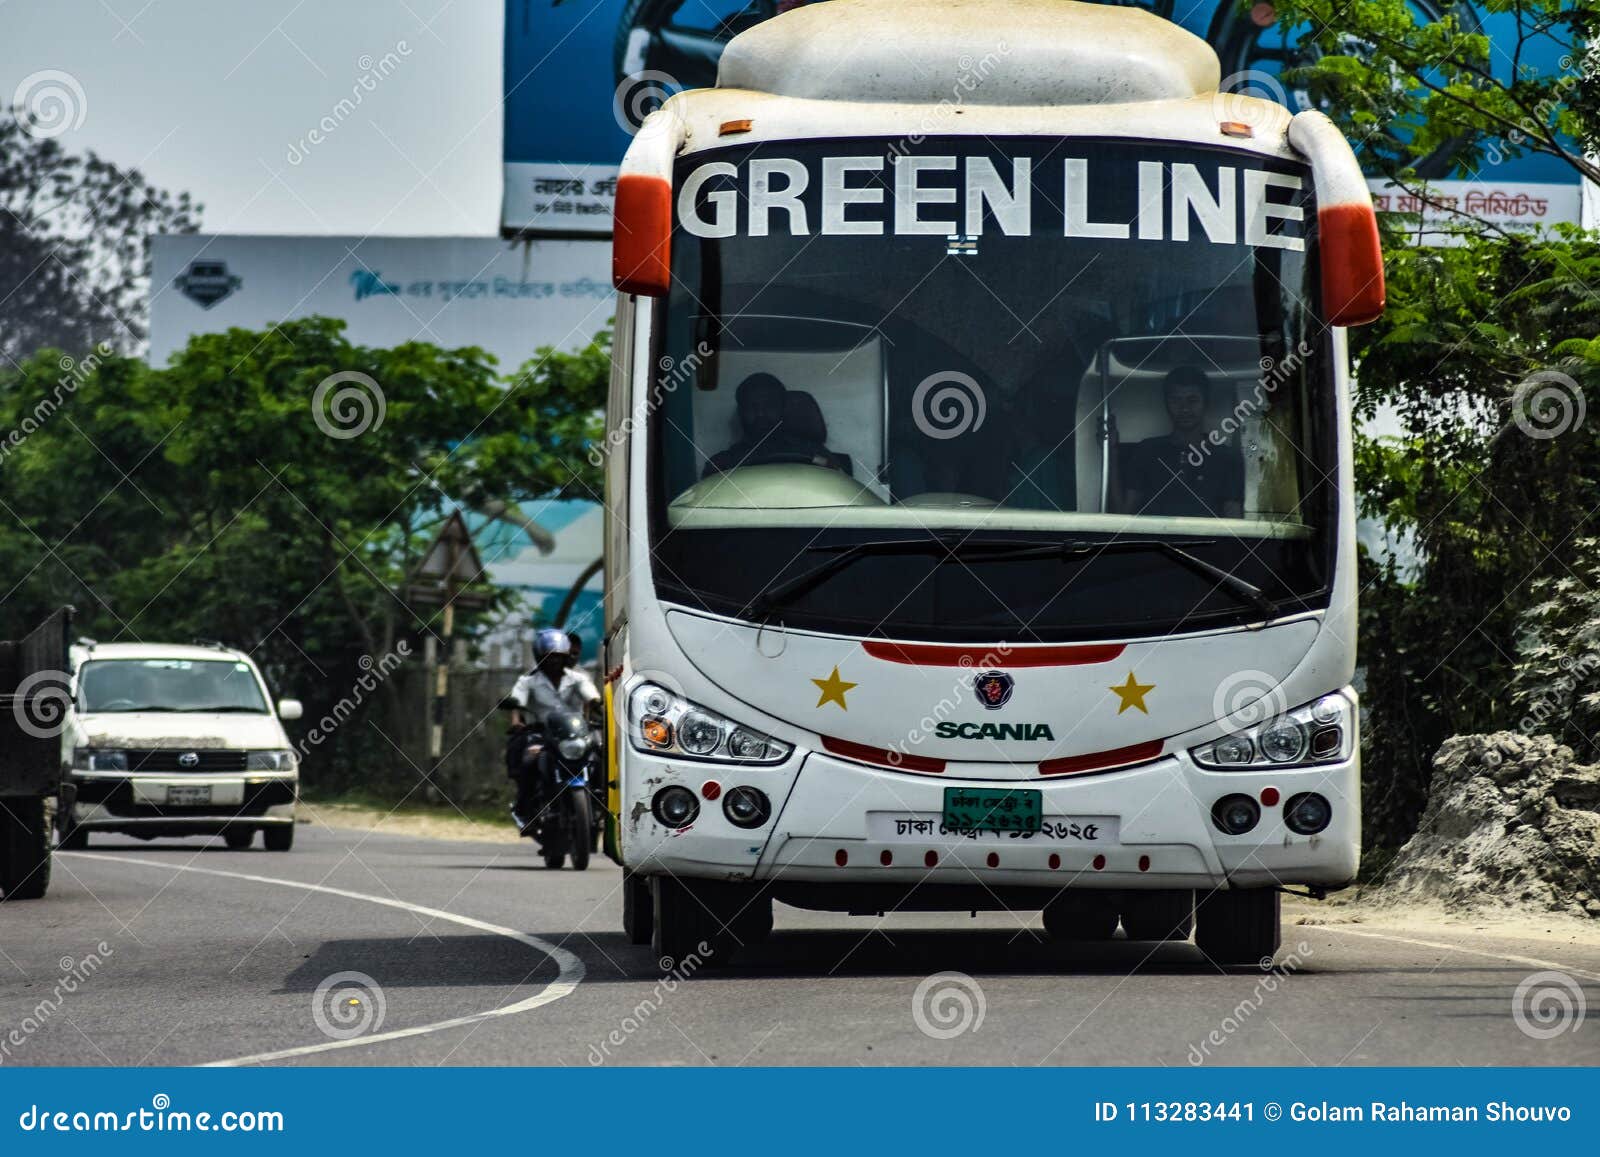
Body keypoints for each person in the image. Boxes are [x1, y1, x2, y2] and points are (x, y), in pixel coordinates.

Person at [1115, 365, 1244, 519]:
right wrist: (1111, 451)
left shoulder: (1226, 457)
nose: (1185, 409)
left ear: (1206, 403)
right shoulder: (1147, 450)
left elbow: (1233, 521)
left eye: (1193, 400)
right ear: (1166, 404)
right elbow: (1122, 516)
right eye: (1176, 400)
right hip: (1155, 540)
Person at [506, 628, 586, 830]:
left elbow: (592, 699)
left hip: (575, 734)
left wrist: (597, 708)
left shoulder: (579, 678)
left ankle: (606, 809)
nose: (554, 662)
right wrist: (516, 721)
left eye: (559, 657)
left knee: (600, 756)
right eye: (549, 657)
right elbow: (517, 702)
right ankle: (523, 809)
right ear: (540, 657)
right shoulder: (528, 680)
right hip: (541, 735)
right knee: (529, 759)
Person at [702, 372, 787, 476]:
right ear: (741, 413)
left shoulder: (807, 456)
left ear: (783, 409)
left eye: (769, 406)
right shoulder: (721, 465)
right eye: (751, 407)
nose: (760, 414)